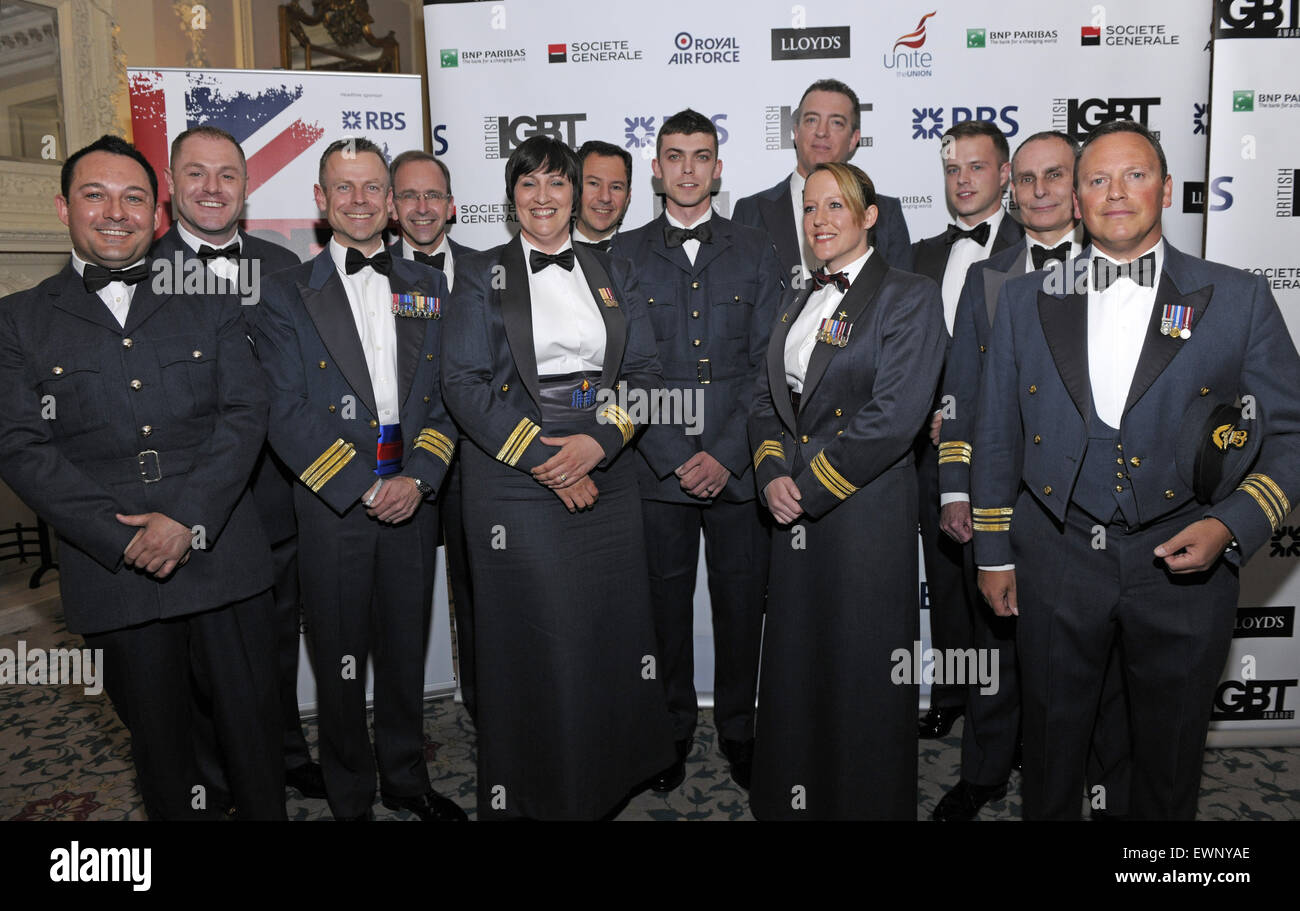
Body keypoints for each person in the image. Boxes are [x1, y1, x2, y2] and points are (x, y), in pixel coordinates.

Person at [973, 120, 1300, 819]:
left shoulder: (1238, 300)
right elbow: (996, 429)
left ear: (1167, 190)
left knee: (1169, 757)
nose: (1115, 192)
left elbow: (1290, 435)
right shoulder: (1027, 300)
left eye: (1135, 175)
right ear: (1076, 199)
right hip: (1056, 556)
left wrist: (1230, 525)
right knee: (1052, 749)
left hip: (1186, 566)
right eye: (1096, 179)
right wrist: (994, 551)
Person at [0, 135, 283, 819]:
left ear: (156, 214)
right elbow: (20, 444)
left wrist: (187, 518)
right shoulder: (18, 320)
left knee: (254, 739)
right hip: (115, 572)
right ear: (65, 206)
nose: (115, 212)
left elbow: (244, 412)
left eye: (133, 197)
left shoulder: (210, 296)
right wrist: (117, 535)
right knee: (162, 749)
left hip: (222, 557)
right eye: (96, 195)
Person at [441, 134, 677, 820]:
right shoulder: (482, 271)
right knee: (538, 641)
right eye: (528, 186)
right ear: (512, 200)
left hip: (606, 475)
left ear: (577, 194)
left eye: (557, 184)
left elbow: (647, 374)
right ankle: (537, 793)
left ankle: (604, 781)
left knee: (607, 633)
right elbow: (462, 382)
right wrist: (548, 457)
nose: (543, 198)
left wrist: (597, 444)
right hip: (514, 479)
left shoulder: (611, 269)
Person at [254, 137, 465, 822]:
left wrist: (420, 477)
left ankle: (405, 776)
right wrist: (364, 486)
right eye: (343, 188)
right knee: (340, 658)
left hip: (413, 496)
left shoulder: (429, 287)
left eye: (373, 187)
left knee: (405, 650)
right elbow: (281, 409)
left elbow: (444, 396)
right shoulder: (286, 292)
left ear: (394, 202)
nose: (359, 200)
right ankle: (349, 792)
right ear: (320, 200)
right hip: (333, 503)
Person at [933, 131, 1134, 821]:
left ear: (1078, 186)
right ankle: (986, 771)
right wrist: (957, 490)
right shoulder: (988, 282)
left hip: (1091, 513)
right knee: (994, 650)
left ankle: (1093, 784)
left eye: (1055, 176)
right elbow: (959, 392)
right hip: (1002, 501)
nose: (1040, 189)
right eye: (1026, 179)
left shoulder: (1124, 271)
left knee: (1098, 667)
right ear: (1012, 191)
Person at [748, 162, 946, 819]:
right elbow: (767, 401)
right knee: (799, 663)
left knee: (861, 667)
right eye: (810, 207)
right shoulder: (795, 295)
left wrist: (807, 487)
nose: (820, 220)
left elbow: (894, 417)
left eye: (836, 206)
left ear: (869, 217)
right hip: (793, 512)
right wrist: (772, 471)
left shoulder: (909, 295)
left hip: (861, 516)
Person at [150, 124, 323, 806]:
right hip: (188, 499)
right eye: (197, 173)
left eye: (227, 175)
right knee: (197, 655)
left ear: (248, 187)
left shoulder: (283, 265)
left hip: (276, 494)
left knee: (277, 640)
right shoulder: (143, 268)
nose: (213, 188)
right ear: (171, 185)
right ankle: (213, 772)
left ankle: (283, 750)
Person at [611, 109, 782, 792]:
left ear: (719, 167)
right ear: (655, 169)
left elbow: (770, 364)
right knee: (662, 611)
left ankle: (739, 726)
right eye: (674, 155)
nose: (688, 168)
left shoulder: (759, 250)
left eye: (700, 155)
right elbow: (620, 368)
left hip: (739, 468)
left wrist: (725, 453)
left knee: (742, 607)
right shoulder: (620, 254)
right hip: (657, 469)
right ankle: (670, 729)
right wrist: (678, 453)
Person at [910, 119, 1023, 741]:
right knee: (948, 583)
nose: (963, 180)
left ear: (1004, 174)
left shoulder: (1034, 249)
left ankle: (1013, 717)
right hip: (929, 450)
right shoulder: (925, 252)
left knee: (1005, 589)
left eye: (976, 167)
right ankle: (954, 692)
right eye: (954, 169)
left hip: (1010, 452)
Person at [388, 149, 479, 720]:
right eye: (408, 196)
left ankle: (484, 701)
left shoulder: (488, 266)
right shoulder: (373, 272)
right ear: (393, 208)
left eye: (433, 196)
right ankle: (404, 728)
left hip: (479, 461)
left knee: (481, 591)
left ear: (452, 206)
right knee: (405, 602)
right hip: (404, 469)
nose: (422, 208)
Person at [733, 78, 912, 282]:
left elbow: (901, 295)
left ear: (854, 138)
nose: (821, 132)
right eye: (811, 120)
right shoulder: (750, 212)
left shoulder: (886, 213)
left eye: (836, 122)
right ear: (796, 131)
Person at [573, 140, 632, 250]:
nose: (605, 198)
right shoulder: (542, 253)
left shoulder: (646, 259)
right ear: (574, 188)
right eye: (594, 183)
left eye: (616, 187)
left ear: (628, 198)